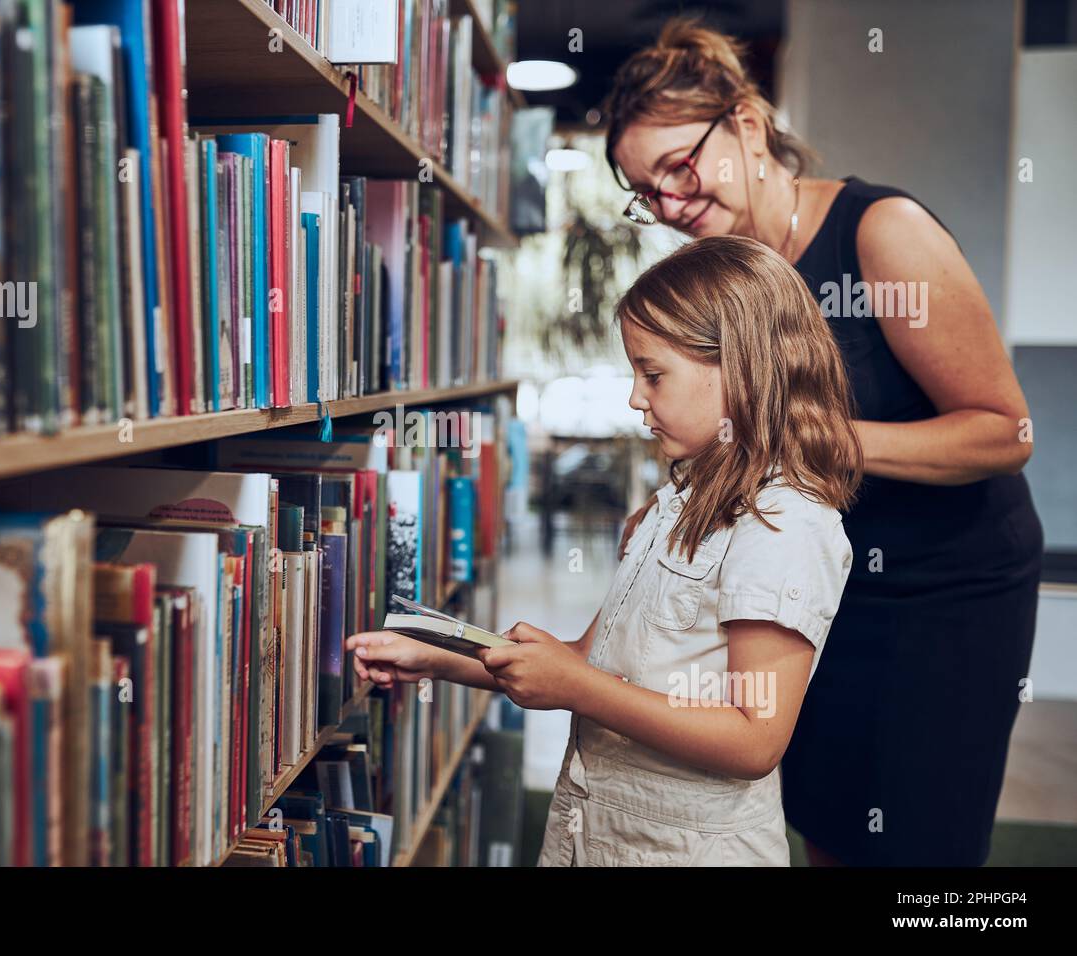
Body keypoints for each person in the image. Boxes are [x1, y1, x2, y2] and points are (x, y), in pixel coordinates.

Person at [604, 17, 1042, 866]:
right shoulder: (731, 274)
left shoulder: (882, 232)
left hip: (942, 590)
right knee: (826, 815)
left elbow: (1003, 432)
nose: (669, 203)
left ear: (747, 124)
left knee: (918, 843)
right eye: (645, 191)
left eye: (679, 167)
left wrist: (804, 439)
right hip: (807, 584)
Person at [346, 235, 862, 865]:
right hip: (594, 833)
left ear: (744, 369)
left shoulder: (783, 524)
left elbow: (755, 739)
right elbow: (586, 662)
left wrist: (578, 688)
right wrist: (440, 657)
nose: (636, 397)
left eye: (653, 373)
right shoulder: (678, 500)